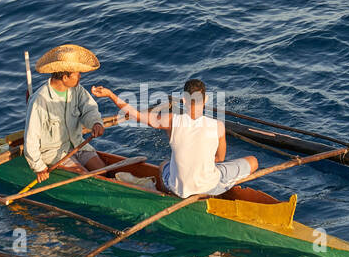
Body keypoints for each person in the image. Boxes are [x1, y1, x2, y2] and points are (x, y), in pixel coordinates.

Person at [90, 78, 258, 197]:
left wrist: (111, 95)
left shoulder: (170, 120)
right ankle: (219, 191)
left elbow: (134, 114)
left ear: (184, 99)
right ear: (205, 99)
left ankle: (167, 193)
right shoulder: (218, 126)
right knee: (253, 161)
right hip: (209, 185)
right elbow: (220, 158)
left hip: (179, 190)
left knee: (164, 165)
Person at [24, 44, 108, 184]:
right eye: (77, 74)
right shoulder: (39, 101)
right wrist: (39, 167)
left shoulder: (77, 90)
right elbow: (31, 139)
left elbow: (89, 109)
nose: (80, 76)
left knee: (103, 171)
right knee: (88, 179)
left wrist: (96, 123)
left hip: (78, 145)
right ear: (65, 77)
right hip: (53, 155)